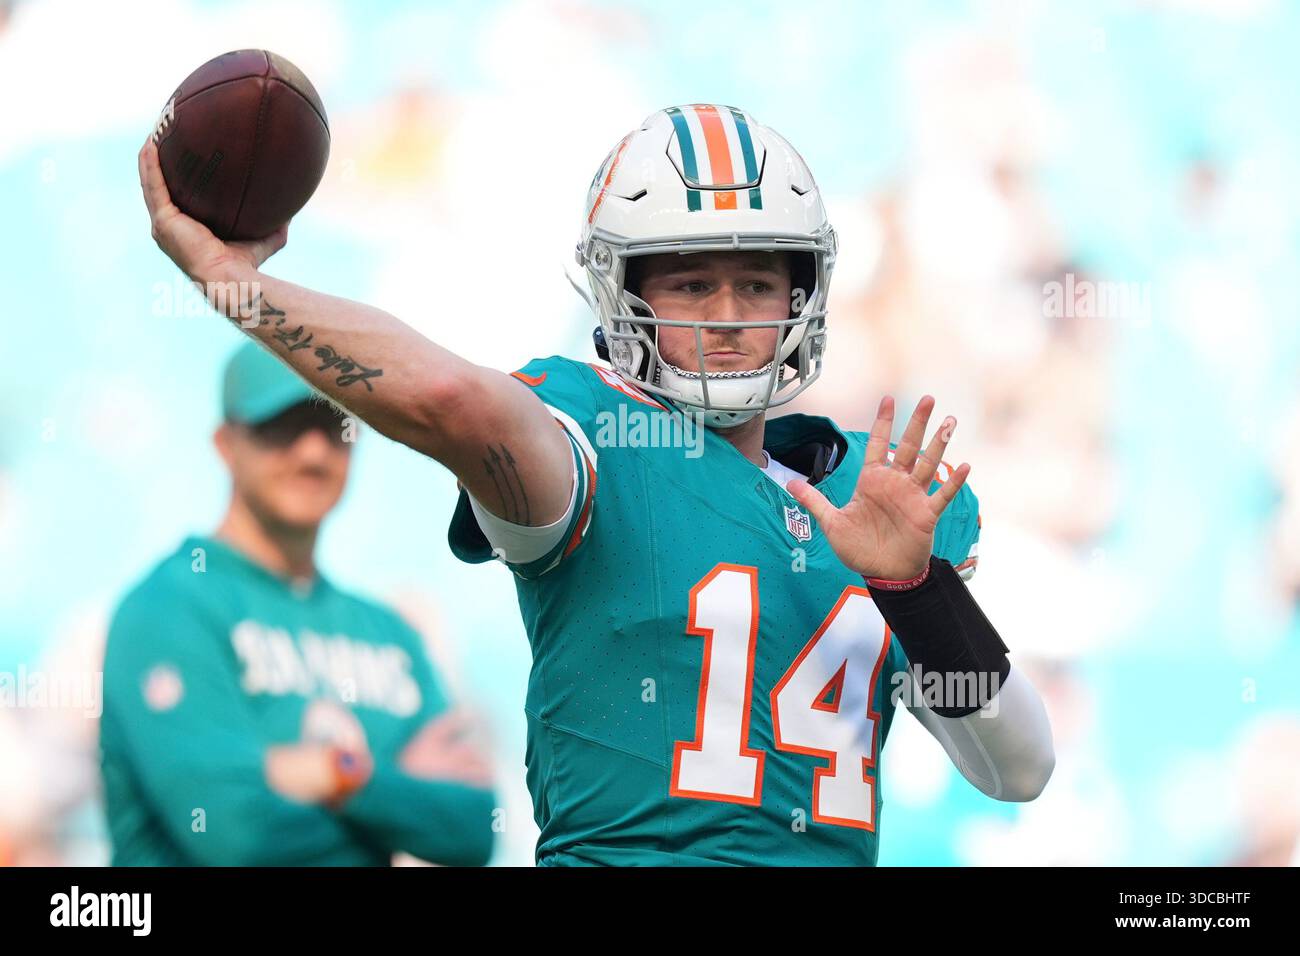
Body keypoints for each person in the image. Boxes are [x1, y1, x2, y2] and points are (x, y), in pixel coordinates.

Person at [138, 103, 1055, 866]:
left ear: (803, 293)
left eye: (756, 281)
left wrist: (915, 587)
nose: (729, 319)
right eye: (692, 284)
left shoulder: (875, 494)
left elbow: (1019, 769)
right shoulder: (589, 437)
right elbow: (457, 399)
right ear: (622, 292)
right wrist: (243, 289)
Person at [100, 342, 496, 866]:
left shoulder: (388, 632)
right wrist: (387, 795)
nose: (312, 452)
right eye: (281, 426)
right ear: (226, 444)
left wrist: (336, 774)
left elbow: (472, 829)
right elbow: (234, 833)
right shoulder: (171, 607)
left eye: (333, 425)